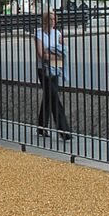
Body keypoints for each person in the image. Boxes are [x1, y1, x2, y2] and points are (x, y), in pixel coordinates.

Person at [34, 9, 70, 140]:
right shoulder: (39, 34)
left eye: (54, 19)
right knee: (54, 98)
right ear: (44, 21)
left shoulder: (58, 33)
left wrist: (50, 53)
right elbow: (40, 54)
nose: (52, 22)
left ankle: (41, 126)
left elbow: (63, 51)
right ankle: (64, 130)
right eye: (50, 19)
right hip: (43, 70)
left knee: (49, 98)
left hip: (55, 69)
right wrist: (52, 54)